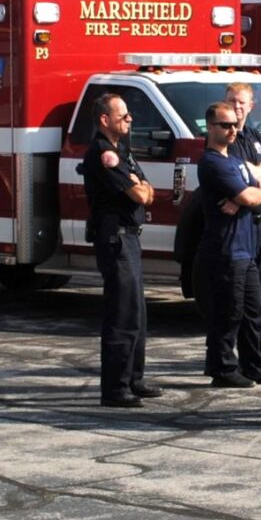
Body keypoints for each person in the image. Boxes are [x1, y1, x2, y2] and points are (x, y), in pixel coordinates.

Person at [78, 94, 162, 408]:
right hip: (115, 240)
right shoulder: (103, 153)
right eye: (123, 115)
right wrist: (139, 187)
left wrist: (139, 186)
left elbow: (146, 188)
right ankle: (115, 388)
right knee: (122, 314)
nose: (129, 120)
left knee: (137, 313)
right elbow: (140, 194)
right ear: (105, 119)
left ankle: (133, 379)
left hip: (130, 240)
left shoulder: (120, 151)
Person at [197, 100, 261, 389]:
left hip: (247, 247)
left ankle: (254, 365)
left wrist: (251, 194)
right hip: (226, 250)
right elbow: (252, 198)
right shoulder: (212, 162)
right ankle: (222, 368)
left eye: (234, 125)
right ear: (210, 127)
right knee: (228, 312)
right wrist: (250, 196)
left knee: (254, 310)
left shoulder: (236, 160)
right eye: (224, 125)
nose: (232, 130)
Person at [224, 81, 261, 343]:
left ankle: (257, 351)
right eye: (232, 100)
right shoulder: (226, 138)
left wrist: (253, 175)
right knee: (238, 298)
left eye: (241, 102)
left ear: (251, 106)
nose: (236, 106)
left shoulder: (256, 138)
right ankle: (240, 356)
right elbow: (236, 173)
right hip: (239, 228)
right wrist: (255, 175)